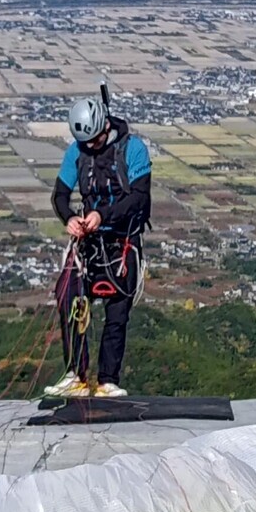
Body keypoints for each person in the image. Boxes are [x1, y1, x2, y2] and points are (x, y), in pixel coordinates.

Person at [45, 92, 151, 397]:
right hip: (89, 242)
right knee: (69, 299)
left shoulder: (133, 150)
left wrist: (101, 214)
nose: (90, 146)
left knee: (117, 311)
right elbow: (60, 194)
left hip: (123, 240)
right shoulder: (76, 152)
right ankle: (76, 375)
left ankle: (108, 380)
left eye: (94, 140)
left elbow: (139, 199)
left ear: (104, 126)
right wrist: (68, 218)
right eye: (85, 142)